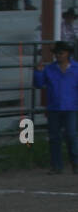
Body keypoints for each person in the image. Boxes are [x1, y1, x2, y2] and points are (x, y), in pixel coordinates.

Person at [33, 41, 78, 175]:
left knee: (70, 135)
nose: (58, 56)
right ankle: (58, 165)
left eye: (60, 53)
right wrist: (38, 73)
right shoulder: (50, 69)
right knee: (56, 137)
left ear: (67, 54)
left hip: (70, 106)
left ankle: (73, 163)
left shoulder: (74, 69)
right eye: (56, 53)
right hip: (55, 107)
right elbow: (39, 84)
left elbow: (39, 85)